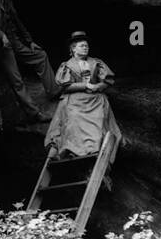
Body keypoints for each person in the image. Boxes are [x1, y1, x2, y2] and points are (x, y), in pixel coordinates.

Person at [44, 31, 120, 159]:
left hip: (94, 98)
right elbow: (65, 86)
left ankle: (94, 148)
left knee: (98, 118)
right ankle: (72, 149)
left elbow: (108, 80)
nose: (86, 48)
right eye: (82, 46)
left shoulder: (96, 62)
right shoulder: (67, 65)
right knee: (73, 117)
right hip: (74, 98)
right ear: (73, 48)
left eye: (87, 46)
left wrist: (97, 86)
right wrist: (85, 86)